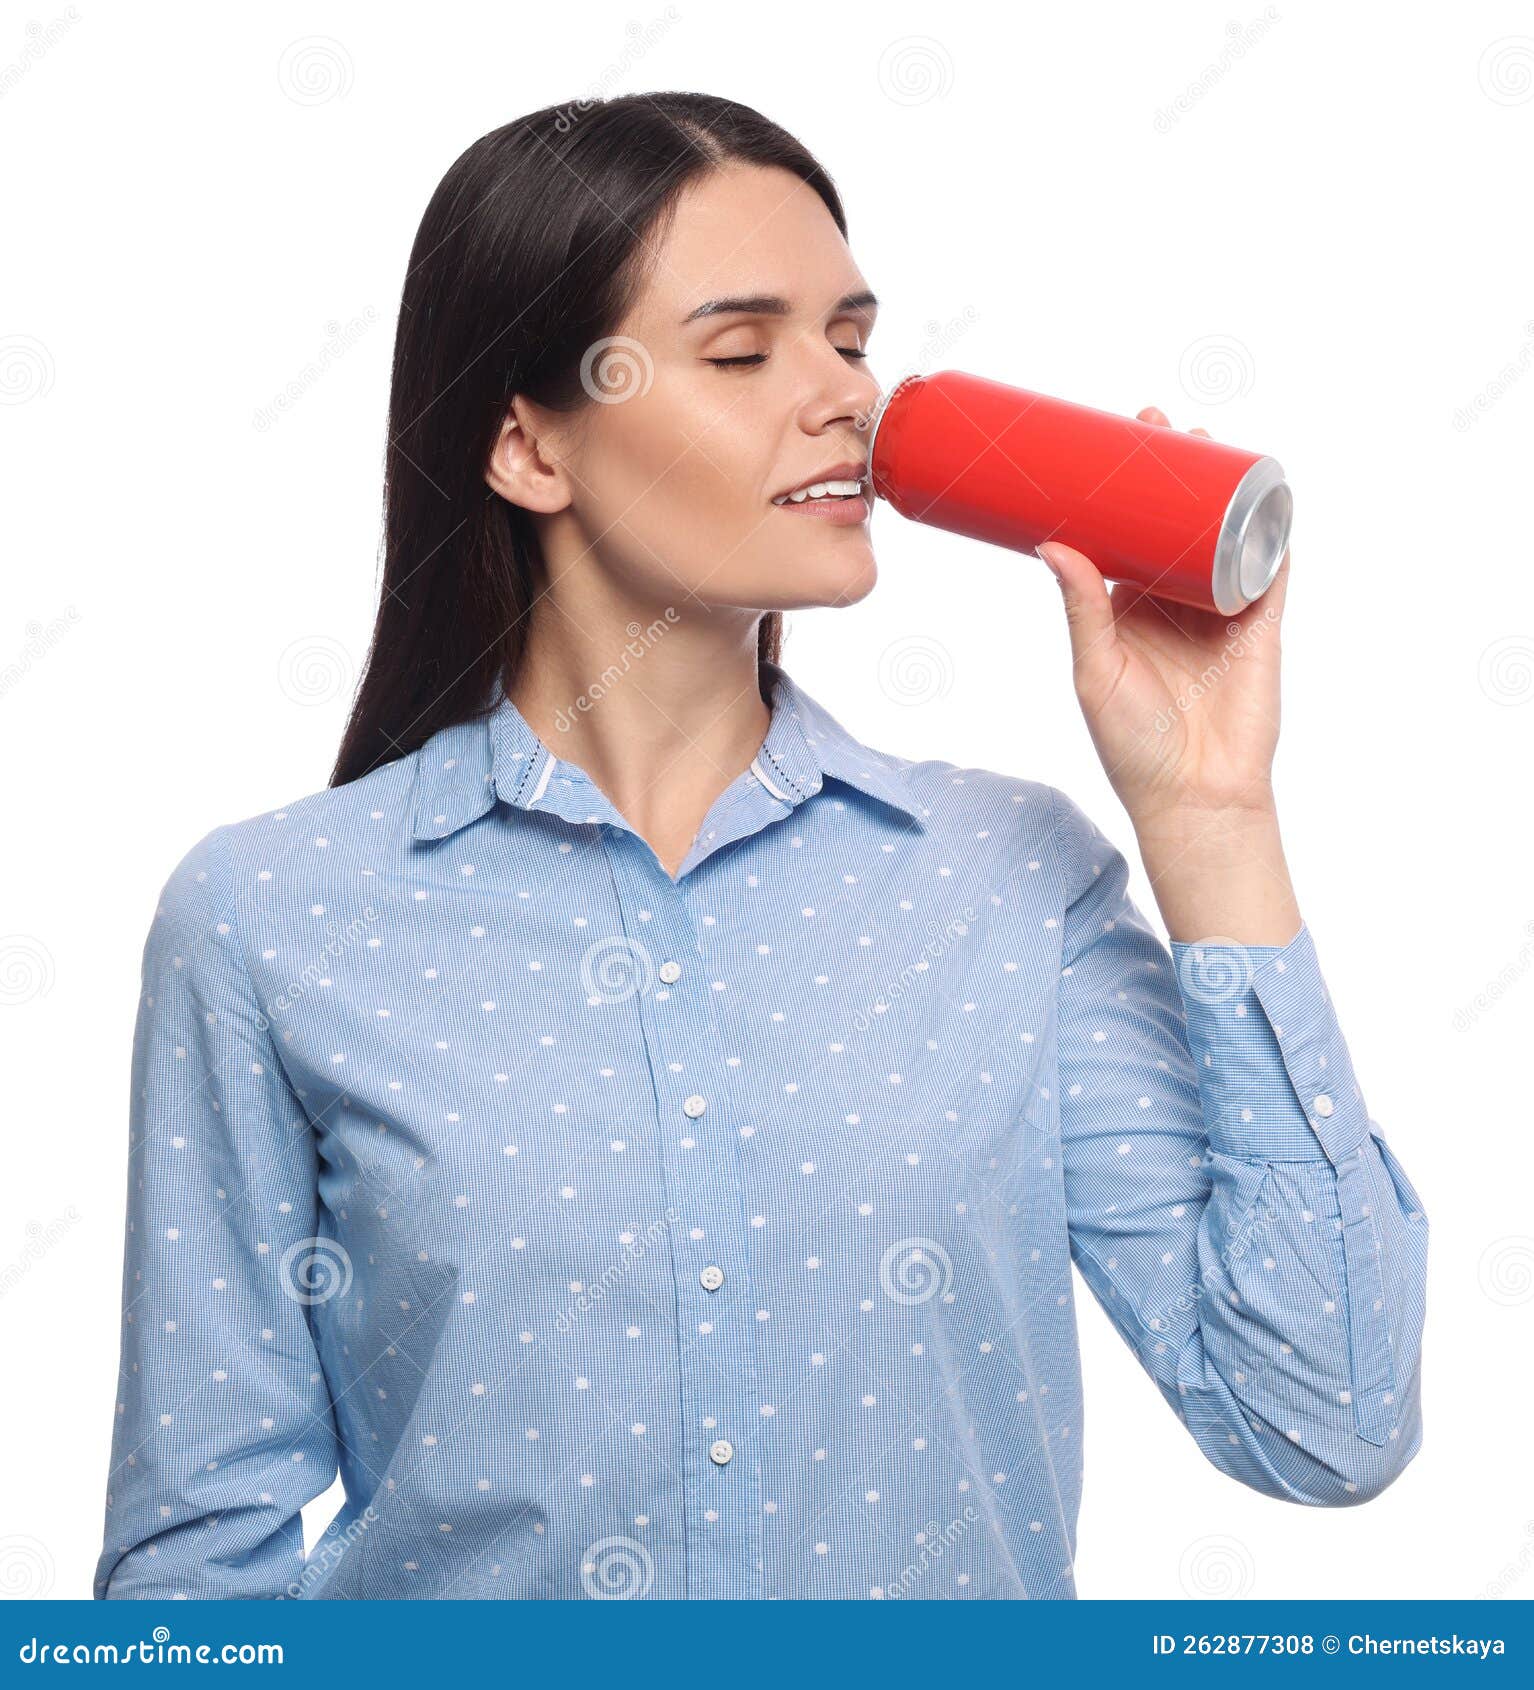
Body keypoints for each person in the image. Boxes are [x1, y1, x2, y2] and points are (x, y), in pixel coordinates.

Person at [95, 92, 1428, 1602]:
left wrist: (1211, 817)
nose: (846, 396)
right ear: (528, 446)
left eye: (850, 340)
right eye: (741, 352)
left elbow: (1324, 1419)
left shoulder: (1008, 883)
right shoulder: (272, 918)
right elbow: (194, 1570)